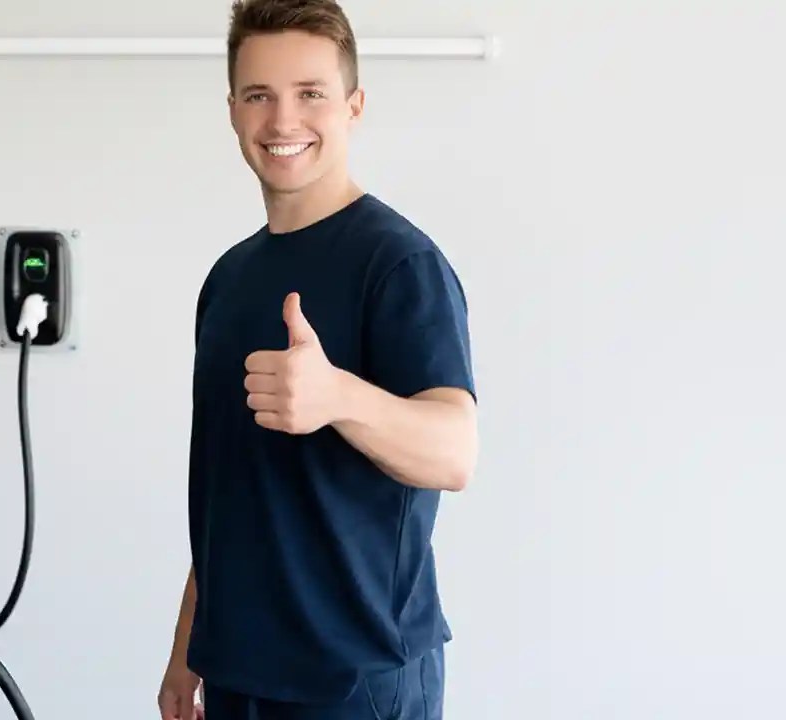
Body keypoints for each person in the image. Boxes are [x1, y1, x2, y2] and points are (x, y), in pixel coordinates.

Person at [156, 1, 479, 718]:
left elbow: (455, 452)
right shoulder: (229, 277)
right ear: (233, 110)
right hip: (237, 670)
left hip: (353, 680)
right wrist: (187, 649)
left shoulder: (399, 263)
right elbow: (233, 492)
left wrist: (339, 398)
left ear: (353, 107)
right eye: (258, 95)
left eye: (310, 94)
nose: (282, 121)